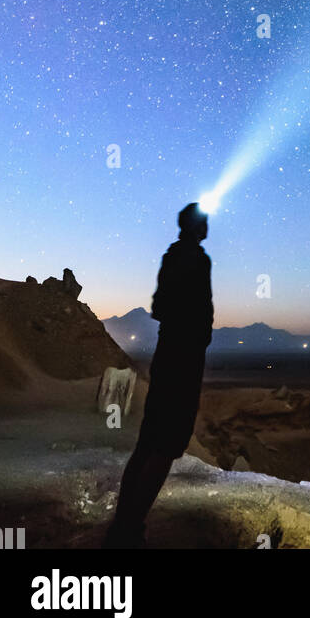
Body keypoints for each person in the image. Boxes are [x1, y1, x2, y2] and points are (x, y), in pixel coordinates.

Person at [105, 203, 213, 548]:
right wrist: (194, 332)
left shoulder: (171, 256)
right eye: (206, 221)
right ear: (197, 227)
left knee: (148, 444)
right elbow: (184, 312)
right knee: (165, 447)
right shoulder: (197, 258)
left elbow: (159, 307)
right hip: (183, 362)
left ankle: (124, 525)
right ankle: (129, 530)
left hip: (168, 358)